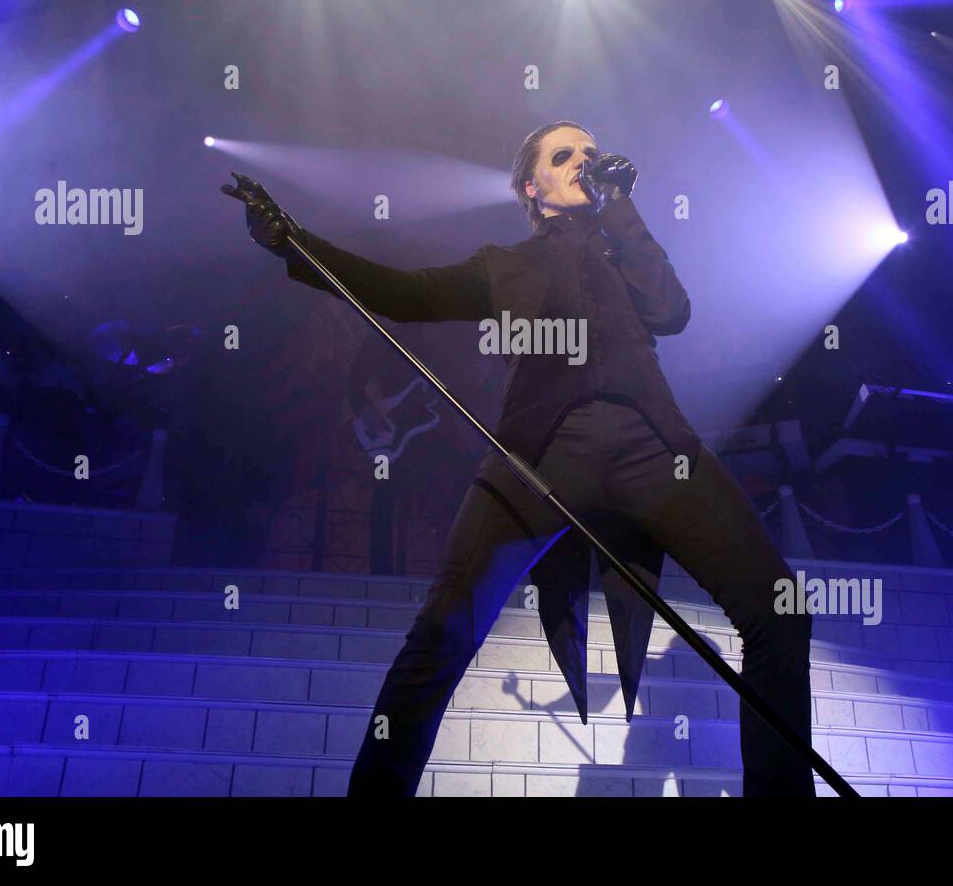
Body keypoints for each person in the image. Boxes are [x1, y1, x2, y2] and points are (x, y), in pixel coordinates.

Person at [222, 121, 815, 797]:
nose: (584, 162)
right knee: (442, 631)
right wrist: (295, 243)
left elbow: (672, 311)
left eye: (592, 155)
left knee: (781, 609)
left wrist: (621, 210)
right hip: (538, 455)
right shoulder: (503, 265)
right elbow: (402, 292)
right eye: (565, 156)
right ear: (533, 188)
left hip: (653, 448)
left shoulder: (626, 252)